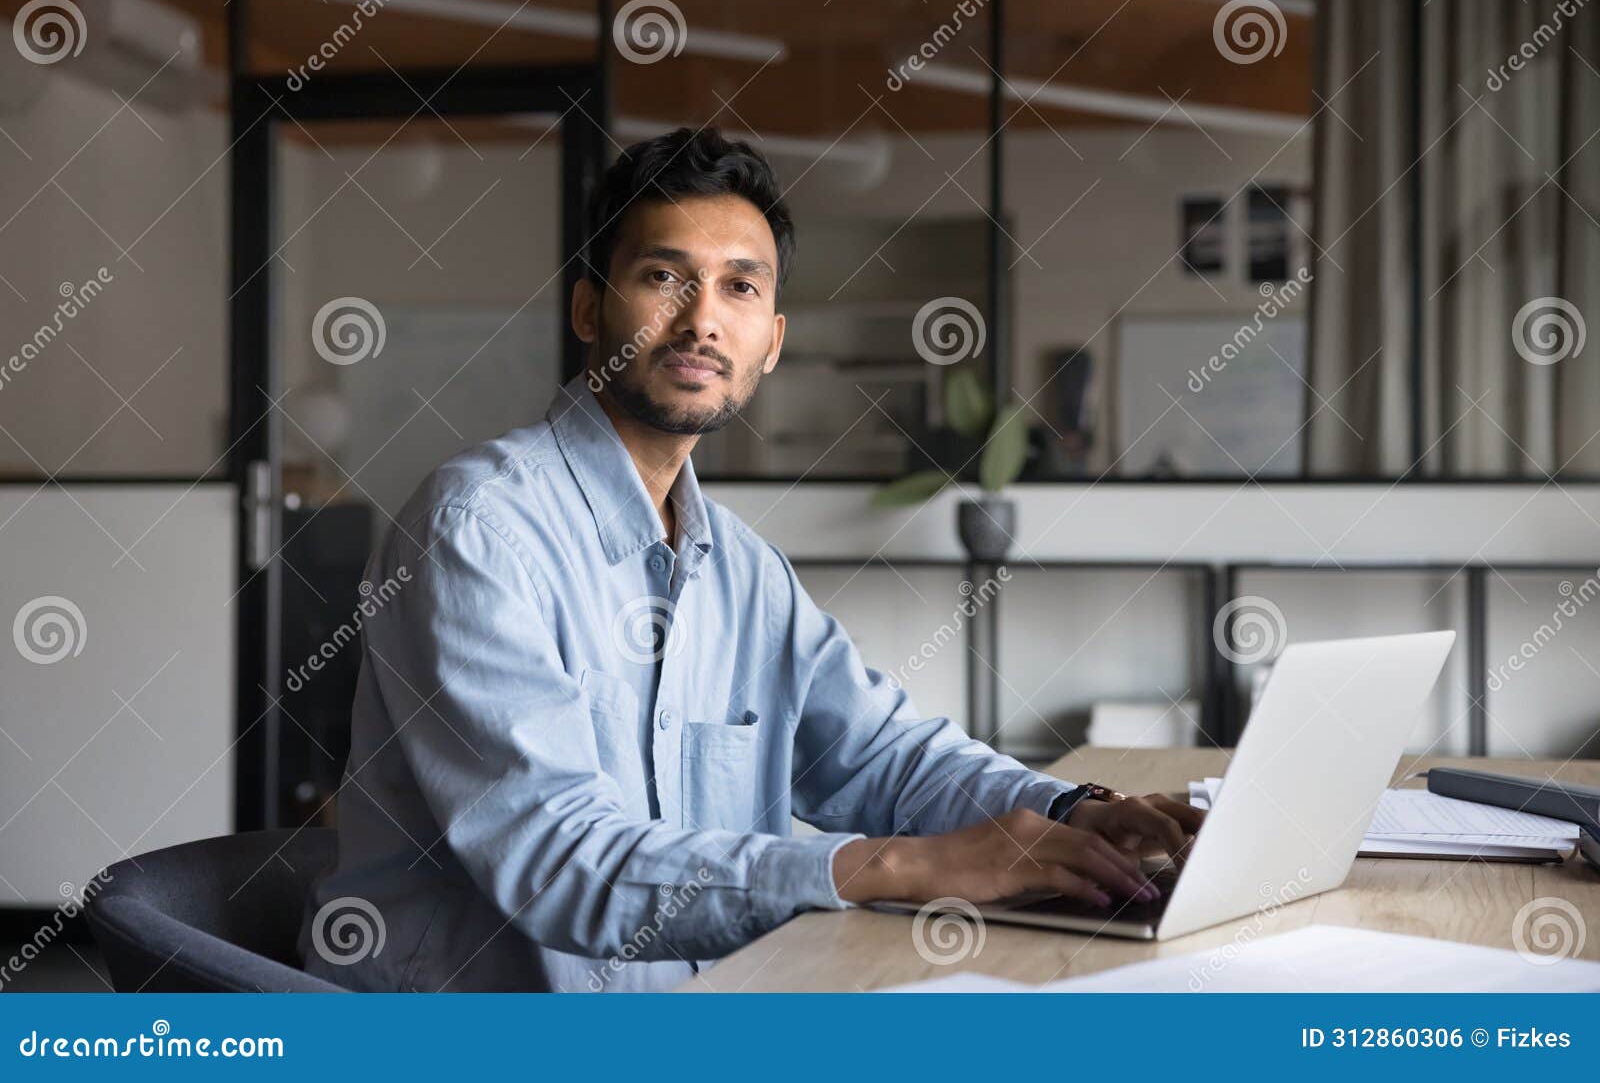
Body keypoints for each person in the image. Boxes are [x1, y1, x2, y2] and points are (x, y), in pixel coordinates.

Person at [298, 127, 1203, 991]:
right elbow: (556, 859)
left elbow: (881, 755)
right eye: (664, 276)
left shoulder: (741, 568)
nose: (701, 320)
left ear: (770, 342)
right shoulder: (477, 528)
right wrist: (908, 865)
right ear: (587, 308)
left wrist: (1070, 810)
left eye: (739, 288)